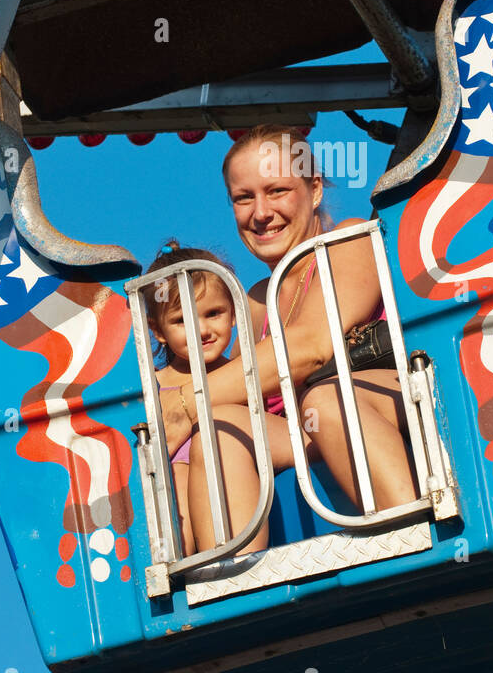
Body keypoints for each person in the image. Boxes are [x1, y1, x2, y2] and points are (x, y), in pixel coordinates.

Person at [159, 127, 417, 556]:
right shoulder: (256, 301)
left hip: (381, 399)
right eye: (244, 198)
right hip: (304, 434)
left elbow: (311, 344)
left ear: (314, 189)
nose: (261, 212)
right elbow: (239, 397)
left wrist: (185, 403)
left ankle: (412, 535)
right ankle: (232, 579)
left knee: (326, 401)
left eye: (276, 190)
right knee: (218, 426)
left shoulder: (348, 240)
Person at [143, 242, 237, 557]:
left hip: (230, 498)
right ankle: (179, 566)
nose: (202, 330)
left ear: (234, 313)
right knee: (177, 478)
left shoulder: (239, 376)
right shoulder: (151, 386)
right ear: (158, 331)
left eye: (213, 313)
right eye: (183, 320)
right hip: (167, 503)